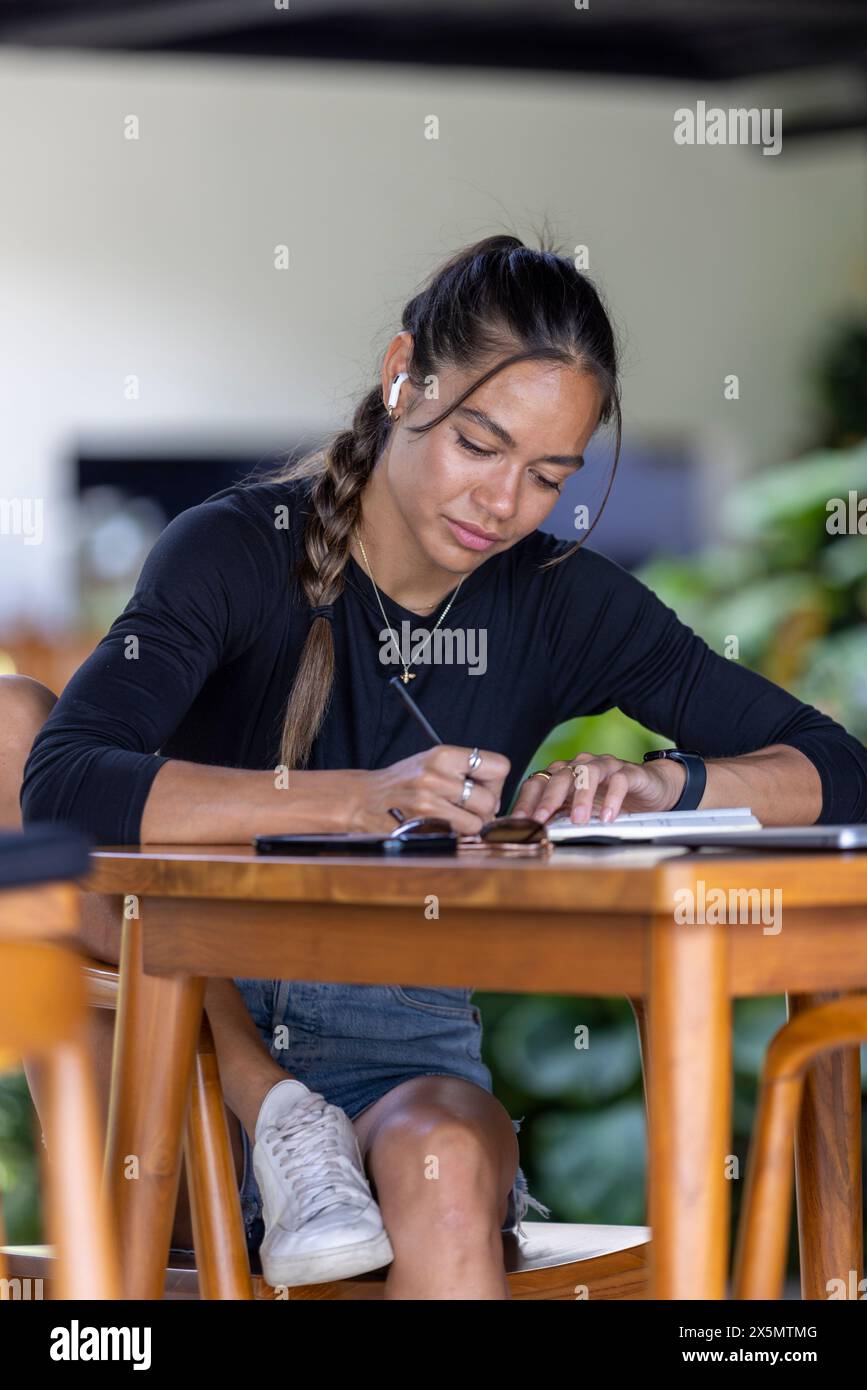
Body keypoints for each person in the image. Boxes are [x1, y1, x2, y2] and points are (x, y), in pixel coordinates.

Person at [8, 232, 867, 1301]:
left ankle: (313, 1126)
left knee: (444, 1164)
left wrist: (668, 784)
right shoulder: (233, 549)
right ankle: (271, 1099)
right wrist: (357, 800)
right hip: (184, 1079)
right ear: (402, 375)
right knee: (11, 723)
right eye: (479, 442)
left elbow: (843, 769)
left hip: (400, 1059)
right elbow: (61, 786)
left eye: (546, 474)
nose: (503, 501)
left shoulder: (557, 599)